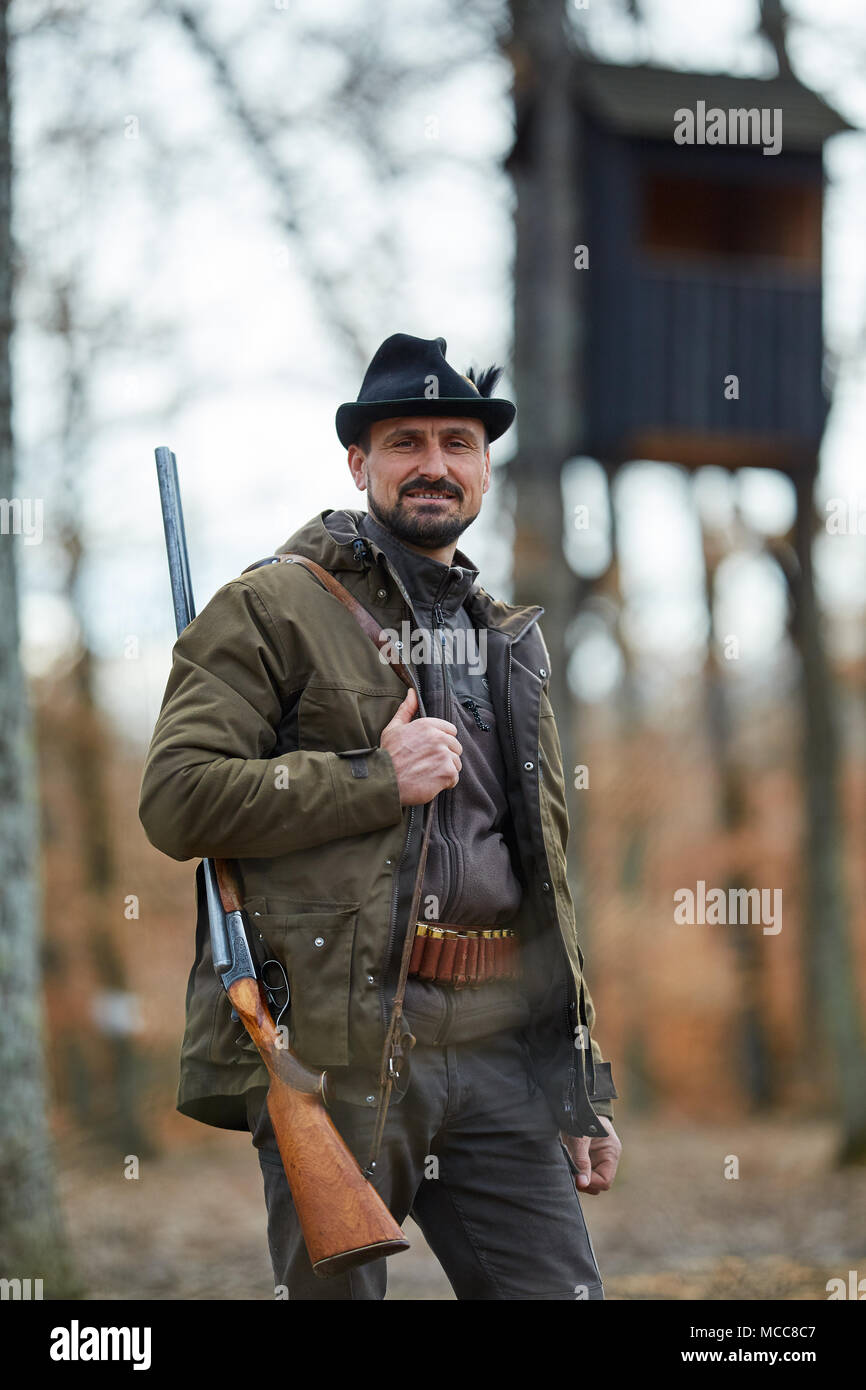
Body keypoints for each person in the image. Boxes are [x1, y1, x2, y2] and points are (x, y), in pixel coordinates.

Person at [139, 332, 621, 1301]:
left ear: (483, 467)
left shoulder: (506, 641)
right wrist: (372, 778)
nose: (433, 465)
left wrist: (575, 1077)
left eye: (457, 441)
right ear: (358, 463)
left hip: (497, 1053)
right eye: (404, 442)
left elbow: (539, 884)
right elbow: (177, 797)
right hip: (343, 1045)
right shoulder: (271, 606)